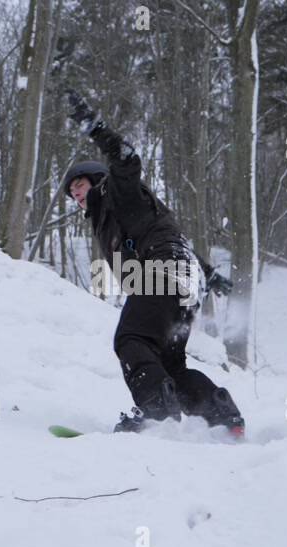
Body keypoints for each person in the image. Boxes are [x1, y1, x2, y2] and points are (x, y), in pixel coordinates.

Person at [61, 90, 245, 436]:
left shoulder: (115, 191)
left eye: (80, 184)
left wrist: (95, 128)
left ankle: (157, 414)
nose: (76, 194)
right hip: (184, 282)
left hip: (161, 275)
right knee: (171, 367)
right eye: (72, 193)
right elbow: (173, 239)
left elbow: (127, 160)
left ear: (97, 179)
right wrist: (209, 274)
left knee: (130, 339)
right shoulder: (116, 215)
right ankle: (222, 418)